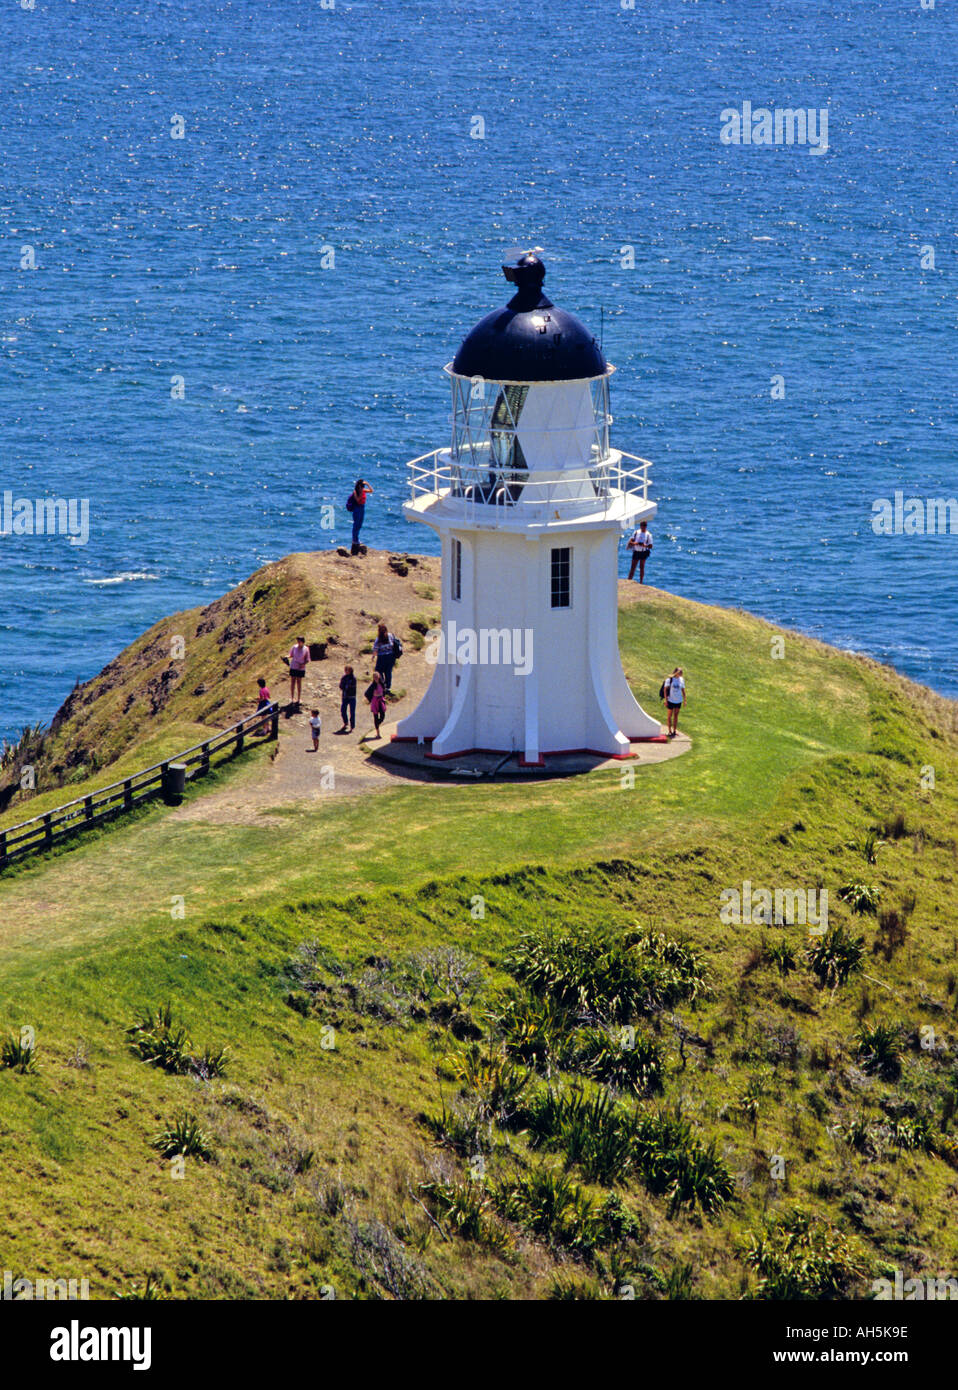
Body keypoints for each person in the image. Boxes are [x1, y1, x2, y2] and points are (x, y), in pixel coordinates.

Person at [346, 479, 373, 556]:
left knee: (360, 524)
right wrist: (361, 491)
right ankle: (355, 540)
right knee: (356, 524)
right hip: (357, 508)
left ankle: (356, 539)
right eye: (362, 486)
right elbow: (358, 500)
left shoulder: (364, 490)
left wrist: (367, 484)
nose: (363, 487)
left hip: (362, 507)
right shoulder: (355, 492)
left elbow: (371, 491)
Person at [372, 622, 399, 692]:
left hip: (382, 657)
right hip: (391, 656)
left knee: (378, 670)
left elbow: (375, 650)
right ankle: (388, 687)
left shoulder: (378, 639)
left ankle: (382, 684)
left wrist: (373, 656)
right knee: (388, 671)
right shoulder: (390, 635)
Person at [662, 666, 686, 738]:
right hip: (671, 700)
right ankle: (669, 731)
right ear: (676, 672)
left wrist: (684, 700)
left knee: (676, 716)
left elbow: (683, 690)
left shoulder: (681, 680)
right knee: (669, 716)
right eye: (680, 672)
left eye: (682, 672)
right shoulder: (670, 680)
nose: (681, 673)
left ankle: (674, 731)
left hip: (678, 700)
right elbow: (665, 690)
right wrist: (666, 700)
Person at [287, 636, 310, 707]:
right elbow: (291, 655)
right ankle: (292, 698)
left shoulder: (306, 649)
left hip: (301, 667)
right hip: (293, 666)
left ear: (303, 642)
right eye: (298, 641)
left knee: (299, 682)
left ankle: (299, 698)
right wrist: (287, 657)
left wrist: (303, 664)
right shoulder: (294, 647)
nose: (298, 643)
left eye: (299, 641)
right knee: (293, 681)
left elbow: (308, 659)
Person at [365, 672, 387, 738]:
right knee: (376, 717)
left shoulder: (381, 683)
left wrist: (383, 697)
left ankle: (377, 724)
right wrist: (371, 700)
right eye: (374, 677)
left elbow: (384, 691)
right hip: (375, 701)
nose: (376, 678)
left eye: (377, 677)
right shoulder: (373, 685)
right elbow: (366, 693)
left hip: (381, 700)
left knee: (382, 715)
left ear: (379, 677)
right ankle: (378, 733)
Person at [338, 664, 357, 733]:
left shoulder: (353, 678)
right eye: (345, 670)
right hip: (345, 697)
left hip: (352, 697)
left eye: (347, 670)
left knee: (352, 712)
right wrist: (345, 687)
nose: (346, 671)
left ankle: (352, 726)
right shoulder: (344, 677)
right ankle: (345, 722)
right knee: (343, 710)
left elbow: (351, 687)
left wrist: (346, 687)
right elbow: (341, 686)